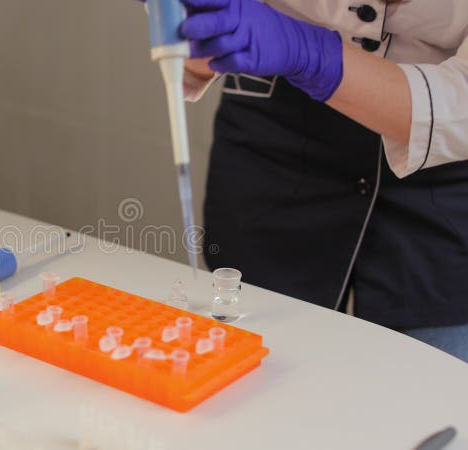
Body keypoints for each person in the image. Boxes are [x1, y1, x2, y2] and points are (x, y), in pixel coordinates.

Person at [154, 0, 468, 361]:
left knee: (428, 386)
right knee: (253, 375)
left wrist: (312, 54)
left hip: (442, 156)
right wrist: (199, 25)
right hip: (277, 118)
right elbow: (193, 34)